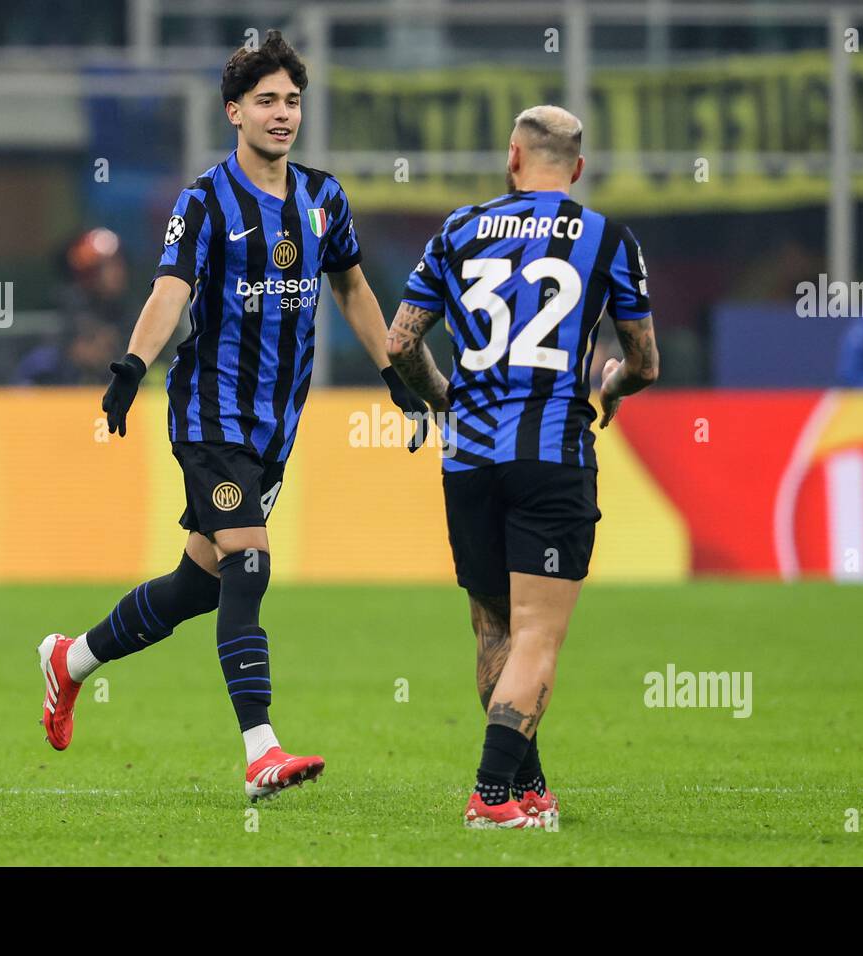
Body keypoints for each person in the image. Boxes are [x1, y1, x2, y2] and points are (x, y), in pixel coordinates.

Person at [37, 30, 429, 802]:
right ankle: (261, 751)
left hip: (275, 427)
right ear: (234, 112)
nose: (282, 114)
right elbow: (170, 290)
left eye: (291, 101)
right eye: (266, 102)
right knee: (250, 560)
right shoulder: (204, 201)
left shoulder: (324, 200)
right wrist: (130, 366)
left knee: (199, 585)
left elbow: (350, 287)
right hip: (210, 414)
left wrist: (392, 370)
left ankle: (69, 660)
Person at [385, 105, 659, 828]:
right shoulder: (607, 237)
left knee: (494, 632)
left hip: (469, 459)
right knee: (536, 635)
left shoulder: (457, 229)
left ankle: (528, 789)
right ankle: (491, 795)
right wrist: (612, 386)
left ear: (512, 157)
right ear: (577, 168)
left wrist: (445, 400)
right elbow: (644, 361)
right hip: (552, 455)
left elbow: (400, 345)